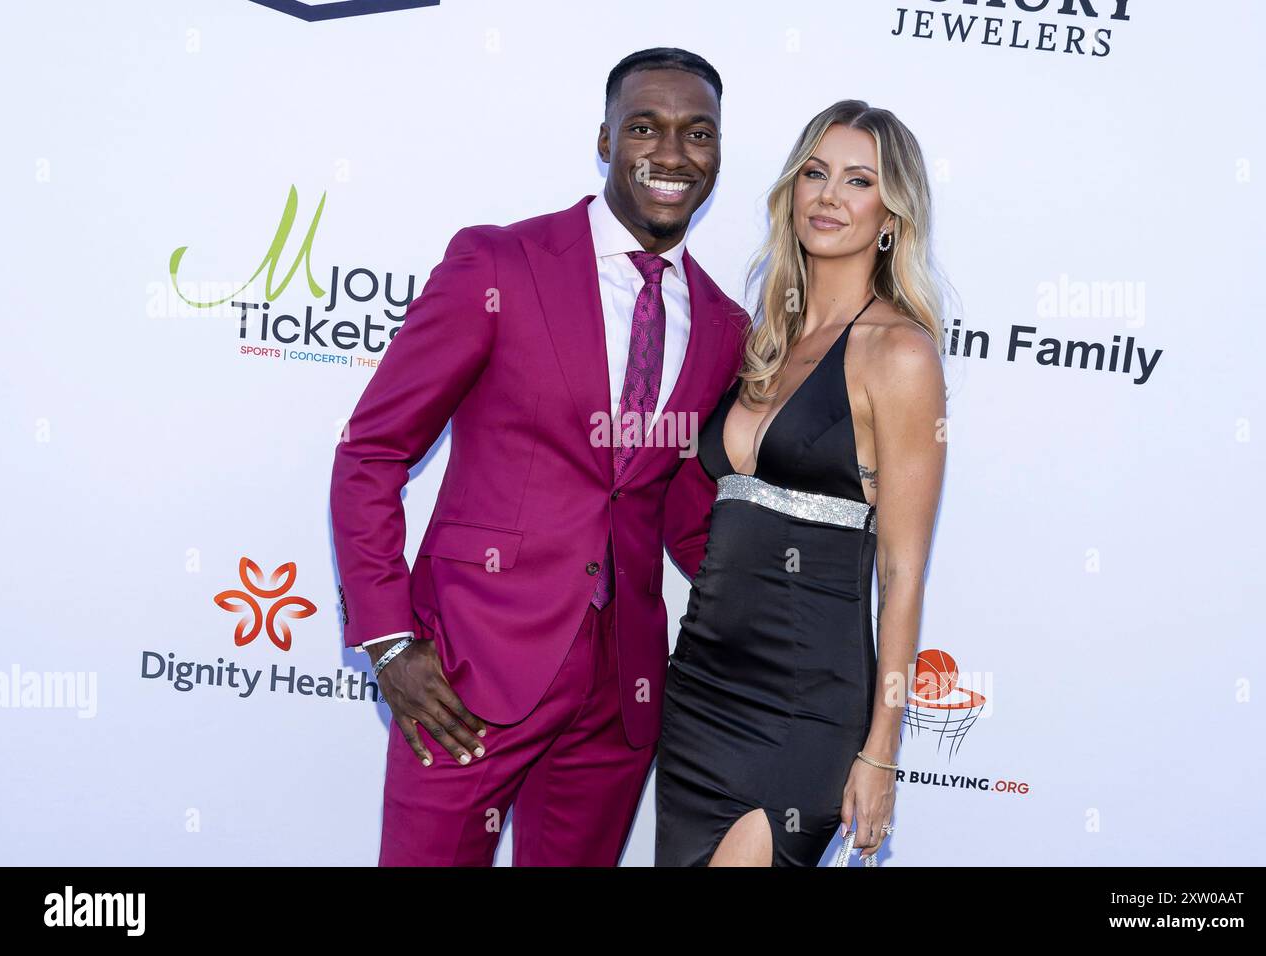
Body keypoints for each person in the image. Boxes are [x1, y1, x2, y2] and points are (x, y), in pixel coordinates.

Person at [329, 47, 750, 866]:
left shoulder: (725, 325)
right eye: (645, 128)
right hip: (466, 675)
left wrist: (801, 608)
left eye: (698, 133)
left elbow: (683, 514)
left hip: (619, 697)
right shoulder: (499, 264)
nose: (672, 153)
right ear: (604, 140)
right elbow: (371, 453)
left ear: (719, 154)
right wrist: (387, 640)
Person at [654, 100, 949, 867]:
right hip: (700, 687)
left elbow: (903, 569)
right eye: (814, 173)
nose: (828, 196)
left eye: (858, 180)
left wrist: (882, 750)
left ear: (891, 213)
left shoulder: (900, 353)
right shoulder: (763, 340)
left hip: (804, 704)